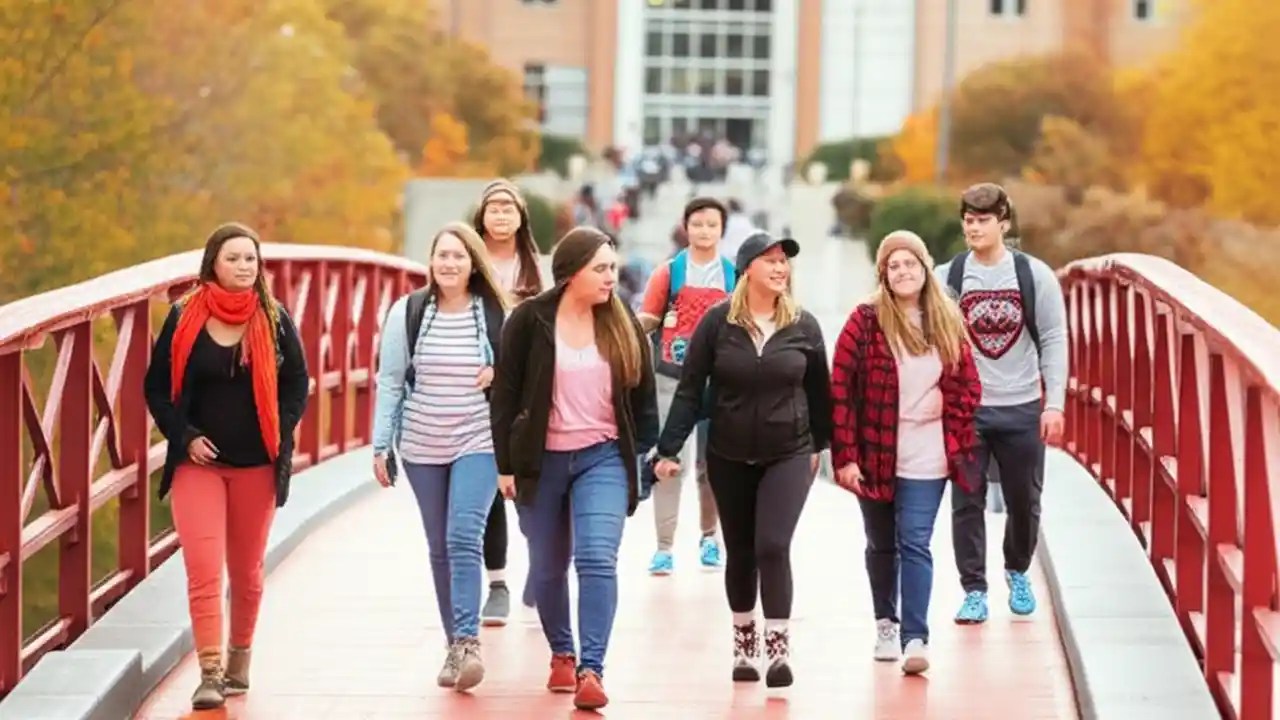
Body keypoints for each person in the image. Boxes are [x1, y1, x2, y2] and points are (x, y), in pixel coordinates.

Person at [490, 227, 659, 711]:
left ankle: (593, 669)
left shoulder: (620, 318)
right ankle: (562, 651)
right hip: (540, 462)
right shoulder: (528, 320)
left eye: (613, 267)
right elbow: (505, 397)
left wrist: (643, 456)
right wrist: (505, 465)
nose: (612, 277)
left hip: (602, 456)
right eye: (601, 268)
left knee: (597, 558)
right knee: (547, 567)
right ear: (571, 273)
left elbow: (643, 397)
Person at [654, 231, 832, 688]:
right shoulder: (717, 324)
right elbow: (691, 390)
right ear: (747, 268)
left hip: (788, 452)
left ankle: (777, 652)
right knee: (742, 552)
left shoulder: (804, 326)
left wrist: (825, 449)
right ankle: (743, 644)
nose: (779, 268)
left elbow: (820, 395)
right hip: (729, 453)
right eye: (770, 260)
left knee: (773, 545)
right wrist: (669, 448)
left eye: (784, 262)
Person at [143, 222, 309, 710]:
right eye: (233, 258)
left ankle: (239, 660)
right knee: (203, 568)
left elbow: (298, 383)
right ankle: (210, 671)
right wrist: (185, 436)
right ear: (212, 262)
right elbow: (155, 387)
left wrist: (280, 425)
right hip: (200, 465)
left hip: (257, 463)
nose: (243, 267)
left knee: (247, 571)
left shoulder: (275, 319)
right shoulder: (183, 316)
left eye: (251, 259)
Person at [829, 230, 982, 675]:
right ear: (883, 274)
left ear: (925, 267)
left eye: (909, 263)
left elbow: (970, 386)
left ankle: (916, 636)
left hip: (928, 449)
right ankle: (886, 623)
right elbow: (840, 388)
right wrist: (845, 456)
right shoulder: (865, 320)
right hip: (875, 447)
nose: (902, 272)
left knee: (915, 540)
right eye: (893, 266)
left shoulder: (947, 320)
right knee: (881, 543)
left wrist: (948, 410)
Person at [371, 222, 510, 692]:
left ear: (473, 264)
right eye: (441, 256)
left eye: (458, 256)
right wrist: (380, 444)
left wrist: (500, 373)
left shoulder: (493, 314)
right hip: (422, 445)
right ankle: (455, 644)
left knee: (462, 536)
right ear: (431, 262)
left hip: (478, 440)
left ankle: (469, 641)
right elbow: (390, 380)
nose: (449, 264)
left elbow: (521, 375)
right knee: (438, 548)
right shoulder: (407, 312)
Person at [937, 183, 1068, 624]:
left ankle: (1017, 569)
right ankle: (974, 589)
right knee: (966, 500)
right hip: (969, 409)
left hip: (1023, 405)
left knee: (1024, 500)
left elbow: (1053, 338)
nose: (974, 228)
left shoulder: (1034, 275)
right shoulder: (949, 277)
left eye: (983, 221)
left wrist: (1055, 403)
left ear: (1004, 223)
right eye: (968, 221)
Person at [636, 197, 735, 575]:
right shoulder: (669, 272)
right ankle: (664, 546)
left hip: (719, 382)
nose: (704, 231)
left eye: (712, 224)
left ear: (722, 229)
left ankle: (710, 537)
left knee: (713, 465)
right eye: (698, 224)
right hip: (671, 378)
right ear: (685, 227)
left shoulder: (733, 274)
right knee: (668, 460)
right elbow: (648, 315)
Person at [471, 178, 545, 624]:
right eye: (493, 208)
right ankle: (496, 581)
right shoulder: (466, 259)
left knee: (532, 482)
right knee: (490, 484)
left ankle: (542, 562)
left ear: (521, 217)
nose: (500, 215)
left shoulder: (536, 268)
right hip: (476, 391)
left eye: (508, 208)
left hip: (527, 387)